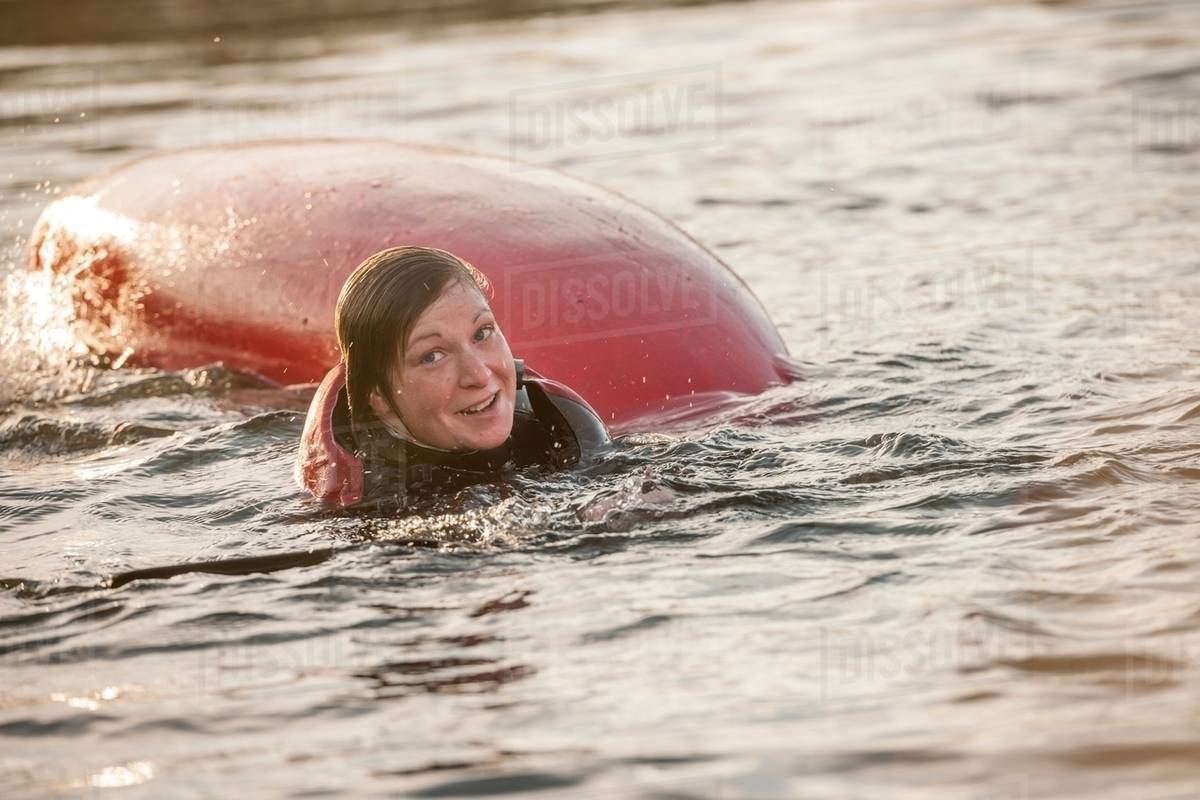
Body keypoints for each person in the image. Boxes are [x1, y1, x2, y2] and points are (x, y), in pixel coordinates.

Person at [295, 246, 611, 511]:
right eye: (433, 356)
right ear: (378, 397)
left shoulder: (555, 426)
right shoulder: (371, 498)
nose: (479, 375)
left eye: (482, 333)